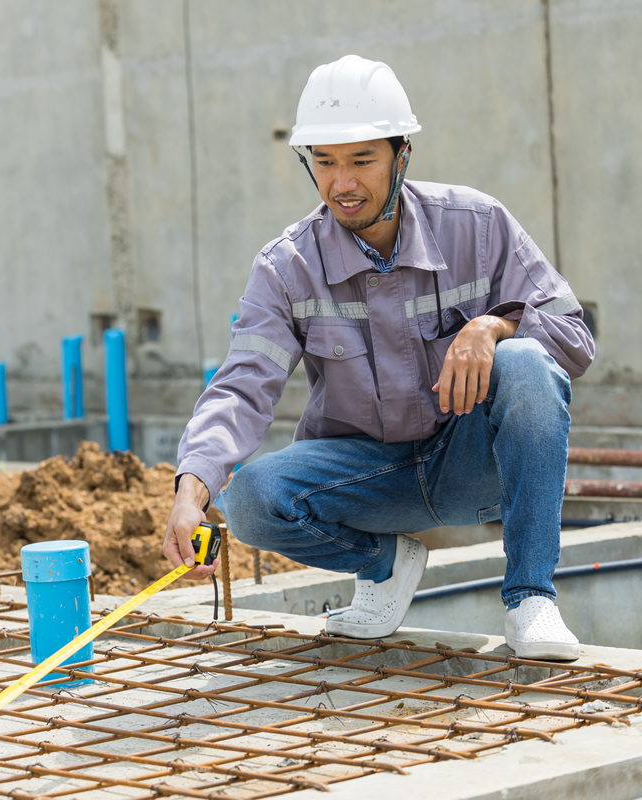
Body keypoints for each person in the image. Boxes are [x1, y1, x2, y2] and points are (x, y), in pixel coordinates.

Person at [162, 55, 594, 661]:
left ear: (401, 154)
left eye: (362, 160)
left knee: (525, 362)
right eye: (325, 162)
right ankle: (384, 566)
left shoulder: (477, 227)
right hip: (367, 481)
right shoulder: (287, 267)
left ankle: (531, 599)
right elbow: (242, 386)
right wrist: (191, 488)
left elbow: (575, 336)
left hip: (472, 464)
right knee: (252, 499)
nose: (343, 183)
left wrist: (494, 326)